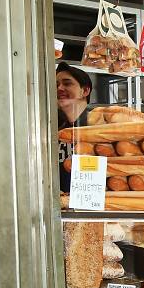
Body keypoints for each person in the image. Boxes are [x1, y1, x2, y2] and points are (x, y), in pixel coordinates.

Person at [56, 62, 92, 192]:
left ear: (85, 90)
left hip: (91, 207)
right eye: (56, 85)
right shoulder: (52, 128)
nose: (59, 88)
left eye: (67, 83)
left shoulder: (98, 126)